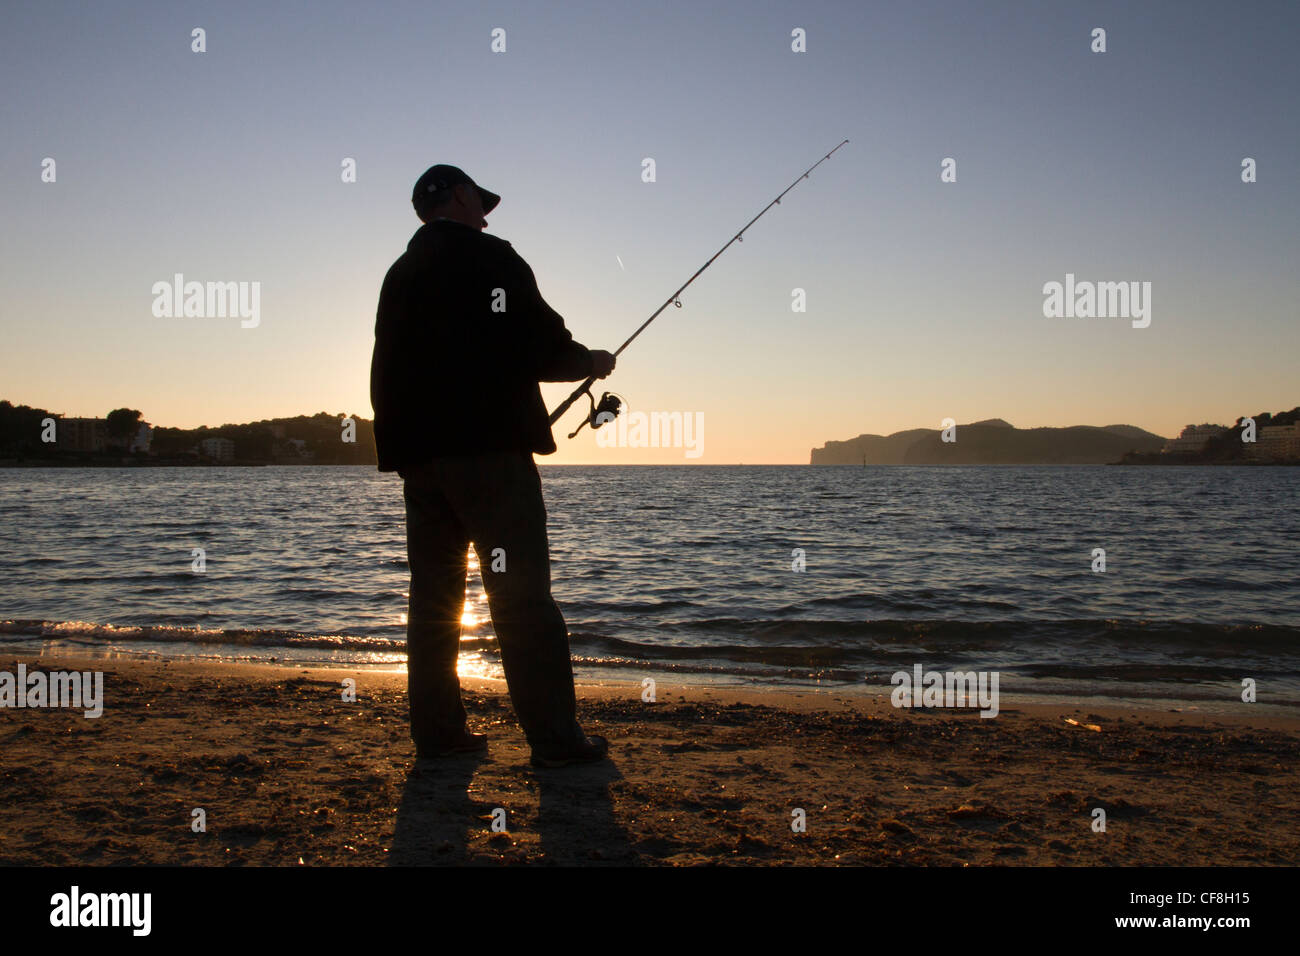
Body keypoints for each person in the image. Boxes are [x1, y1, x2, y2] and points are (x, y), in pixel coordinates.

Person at [370, 164, 616, 767]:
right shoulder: (491, 257)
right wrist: (595, 360)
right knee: (520, 597)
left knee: (433, 601)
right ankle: (556, 742)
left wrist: (401, 453)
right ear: (458, 194)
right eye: (480, 199)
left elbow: (383, 372)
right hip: (488, 457)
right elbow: (540, 346)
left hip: (420, 464)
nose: (486, 211)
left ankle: (439, 734)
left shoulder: (399, 274)